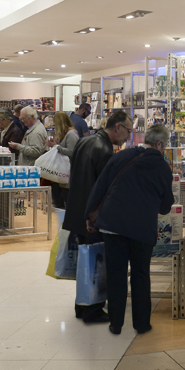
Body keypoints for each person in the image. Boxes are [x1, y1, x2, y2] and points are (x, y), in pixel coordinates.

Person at [85, 122, 174, 335]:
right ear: (159, 143)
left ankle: (115, 323)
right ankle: (141, 324)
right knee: (140, 274)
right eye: (165, 145)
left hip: (113, 225)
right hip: (142, 228)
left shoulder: (121, 156)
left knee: (116, 274)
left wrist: (89, 215)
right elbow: (165, 206)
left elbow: (100, 186)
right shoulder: (162, 167)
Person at [63, 109, 133, 322]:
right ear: (118, 127)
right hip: (93, 218)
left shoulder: (85, 141)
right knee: (96, 263)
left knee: (85, 261)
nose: (129, 136)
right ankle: (92, 309)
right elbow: (104, 190)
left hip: (77, 211)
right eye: (128, 131)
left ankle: (82, 305)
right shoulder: (104, 150)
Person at [45, 111, 78, 208]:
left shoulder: (71, 134)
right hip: (61, 173)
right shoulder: (64, 134)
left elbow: (72, 152)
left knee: (67, 199)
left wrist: (56, 146)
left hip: (68, 172)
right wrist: (55, 144)